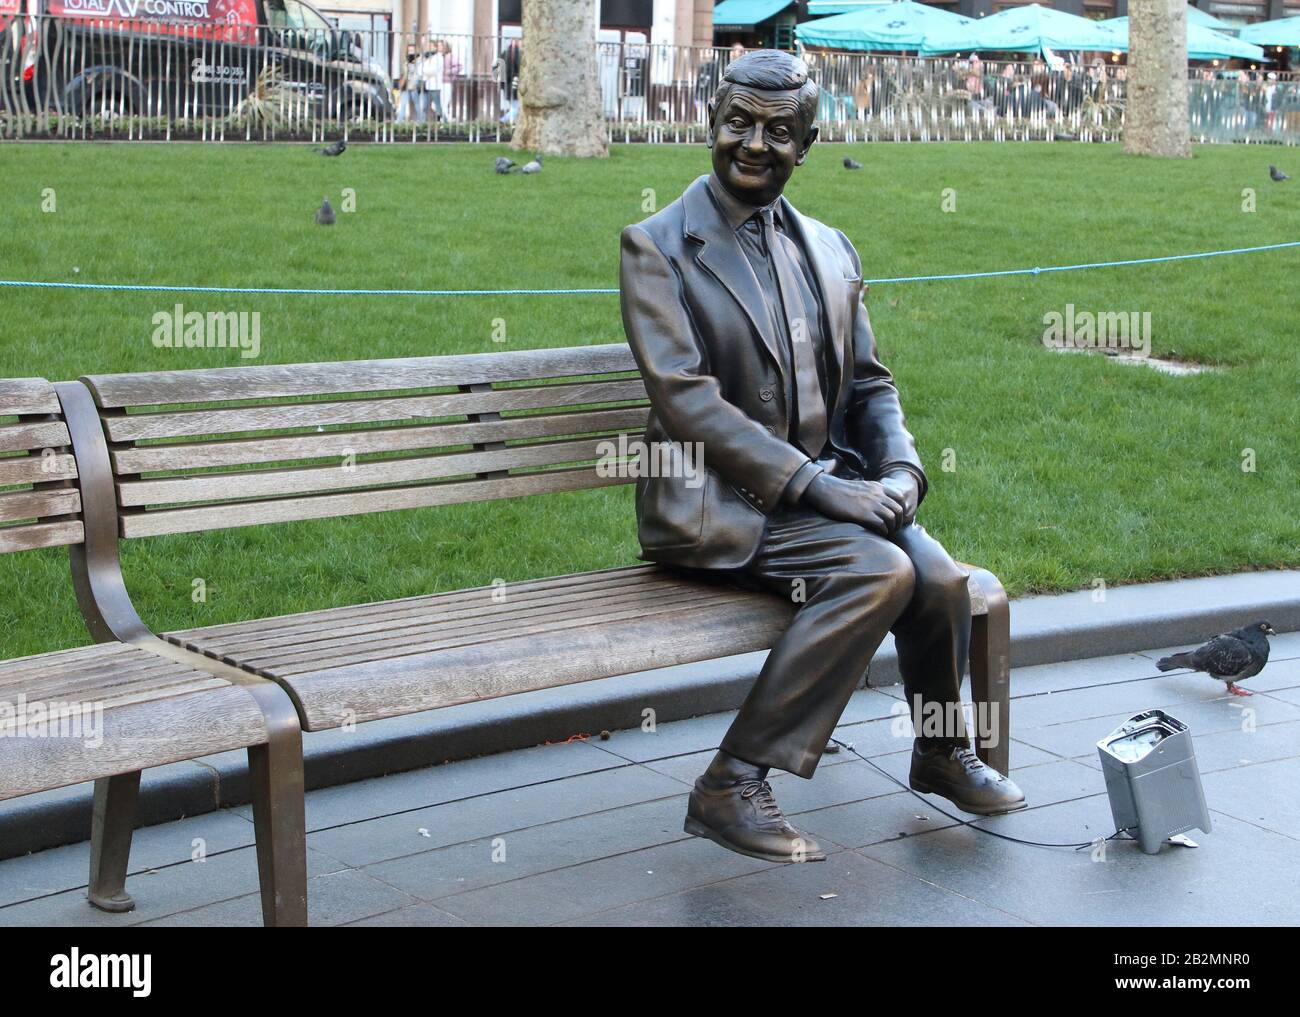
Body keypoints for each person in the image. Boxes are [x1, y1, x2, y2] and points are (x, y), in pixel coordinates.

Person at [618, 51, 1025, 865]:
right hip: (717, 505)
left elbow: (871, 384)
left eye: (778, 131)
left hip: (824, 492)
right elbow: (686, 402)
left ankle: (940, 751)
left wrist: (902, 469)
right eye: (739, 123)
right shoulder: (656, 247)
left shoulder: (832, 248)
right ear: (711, 123)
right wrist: (816, 487)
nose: (754, 144)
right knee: (881, 570)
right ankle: (730, 783)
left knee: (942, 577)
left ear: (808, 143)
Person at [397, 43, 425, 124]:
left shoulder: (419, 62)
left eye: (412, 50)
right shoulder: (405, 61)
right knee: (403, 105)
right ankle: (398, 122)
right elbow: (403, 73)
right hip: (406, 86)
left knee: (417, 106)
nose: (411, 52)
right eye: (409, 50)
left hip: (414, 86)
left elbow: (419, 74)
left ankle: (421, 122)